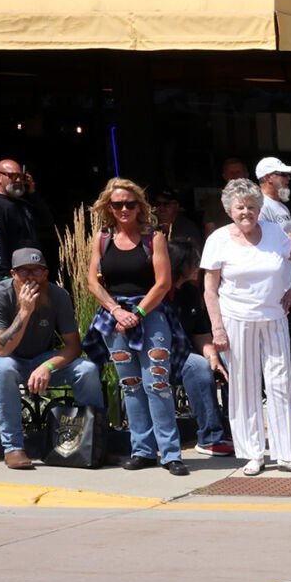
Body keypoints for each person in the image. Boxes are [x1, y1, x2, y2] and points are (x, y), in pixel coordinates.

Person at [201, 177, 291, 476]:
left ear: (259, 208)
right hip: (236, 319)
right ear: (230, 210)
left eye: (251, 206)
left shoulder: (275, 232)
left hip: (274, 316)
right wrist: (218, 329)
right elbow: (210, 289)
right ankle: (252, 454)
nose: (246, 212)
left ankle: (287, 454)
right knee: (244, 385)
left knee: (280, 384)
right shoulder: (218, 240)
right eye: (240, 207)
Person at [83, 179, 187, 474]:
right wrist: (116, 310)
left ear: (140, 206)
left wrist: (137, 313)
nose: (124, 209)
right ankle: (141, 449)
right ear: (109, 208)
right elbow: (92, 281)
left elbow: (163, 282)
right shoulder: (102, 239)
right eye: (118, 204)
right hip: (115, 317)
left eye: (130, 203)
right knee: (130, 385)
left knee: (157, 382)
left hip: (149, 313)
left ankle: (170, 452)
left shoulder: (153, 238)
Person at [0, 248, 105, 469]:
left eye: (37, 271)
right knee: (4, 369)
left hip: (42, 359)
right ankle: (13, 447)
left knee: (88, 370)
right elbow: (0, 349)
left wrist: (47, 366)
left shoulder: (57, 295)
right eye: (25, 272)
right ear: (13, 274)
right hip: (9, 359)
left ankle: (97, 442)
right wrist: (24, 312)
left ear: (45, 273)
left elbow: (73, 346)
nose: (32, 277)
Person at [164, 240, 232, 457]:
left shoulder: (190, 293)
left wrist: (214, 357)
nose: (198, 266)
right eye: (193, 261)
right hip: (161, 355)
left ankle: (232, 430)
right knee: (198, 366)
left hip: (185, 353)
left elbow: (201, 334)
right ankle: (211, 436)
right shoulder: (157, 293)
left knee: (229, 360)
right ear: (179, 263)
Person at [0, 160, 42, 282]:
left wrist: (32, 192)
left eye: (21, 176)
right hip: (7, 275)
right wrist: (2, 274)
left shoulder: (24, 204)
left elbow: (47, 221)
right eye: (12, 176)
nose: (18, 180)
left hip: (31, 271)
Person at [254, 157, 291, 229]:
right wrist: (289, 239)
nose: (289, 178)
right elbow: (259, 238)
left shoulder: (283, 207)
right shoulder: (260, 205)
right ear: (268, 178)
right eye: (284, 174)